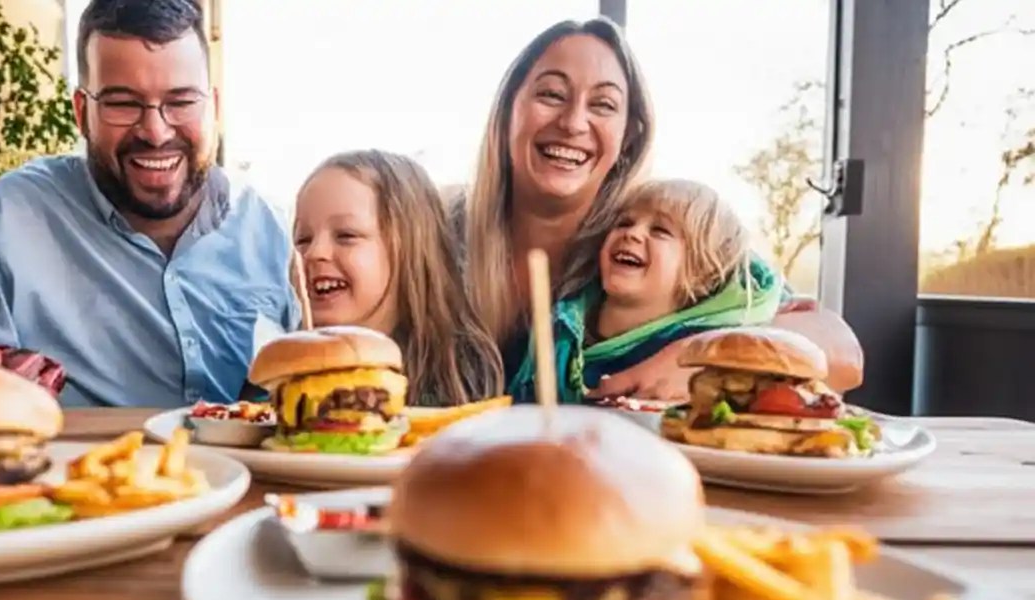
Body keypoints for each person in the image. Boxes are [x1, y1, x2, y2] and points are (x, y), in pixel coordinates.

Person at [458, 16, 863, 400]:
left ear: (628, 137)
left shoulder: (665, 241)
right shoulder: (440, 235)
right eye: (551, 95)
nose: (573, 122)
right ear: (508, 109)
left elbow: (843, 354)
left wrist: (696, 361)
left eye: (603, 105)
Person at [0, 0, 300, 407]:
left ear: (214, 108)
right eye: (123, 103)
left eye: (180, 102)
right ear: (82, 112)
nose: (155, 132)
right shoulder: (14, 219)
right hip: (79, 467)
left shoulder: (267, 229)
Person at [508, 178, 782, 403]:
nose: (633, 233)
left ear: (702, 275)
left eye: (660, 230)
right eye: (624, 222)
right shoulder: (558, 326)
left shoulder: (696, 357)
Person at [293, 150, 504, 406]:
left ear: (410, 248)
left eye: (346, 235)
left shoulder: (460, 374)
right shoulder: (282, 376)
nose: (314, 252)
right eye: (302, 239)